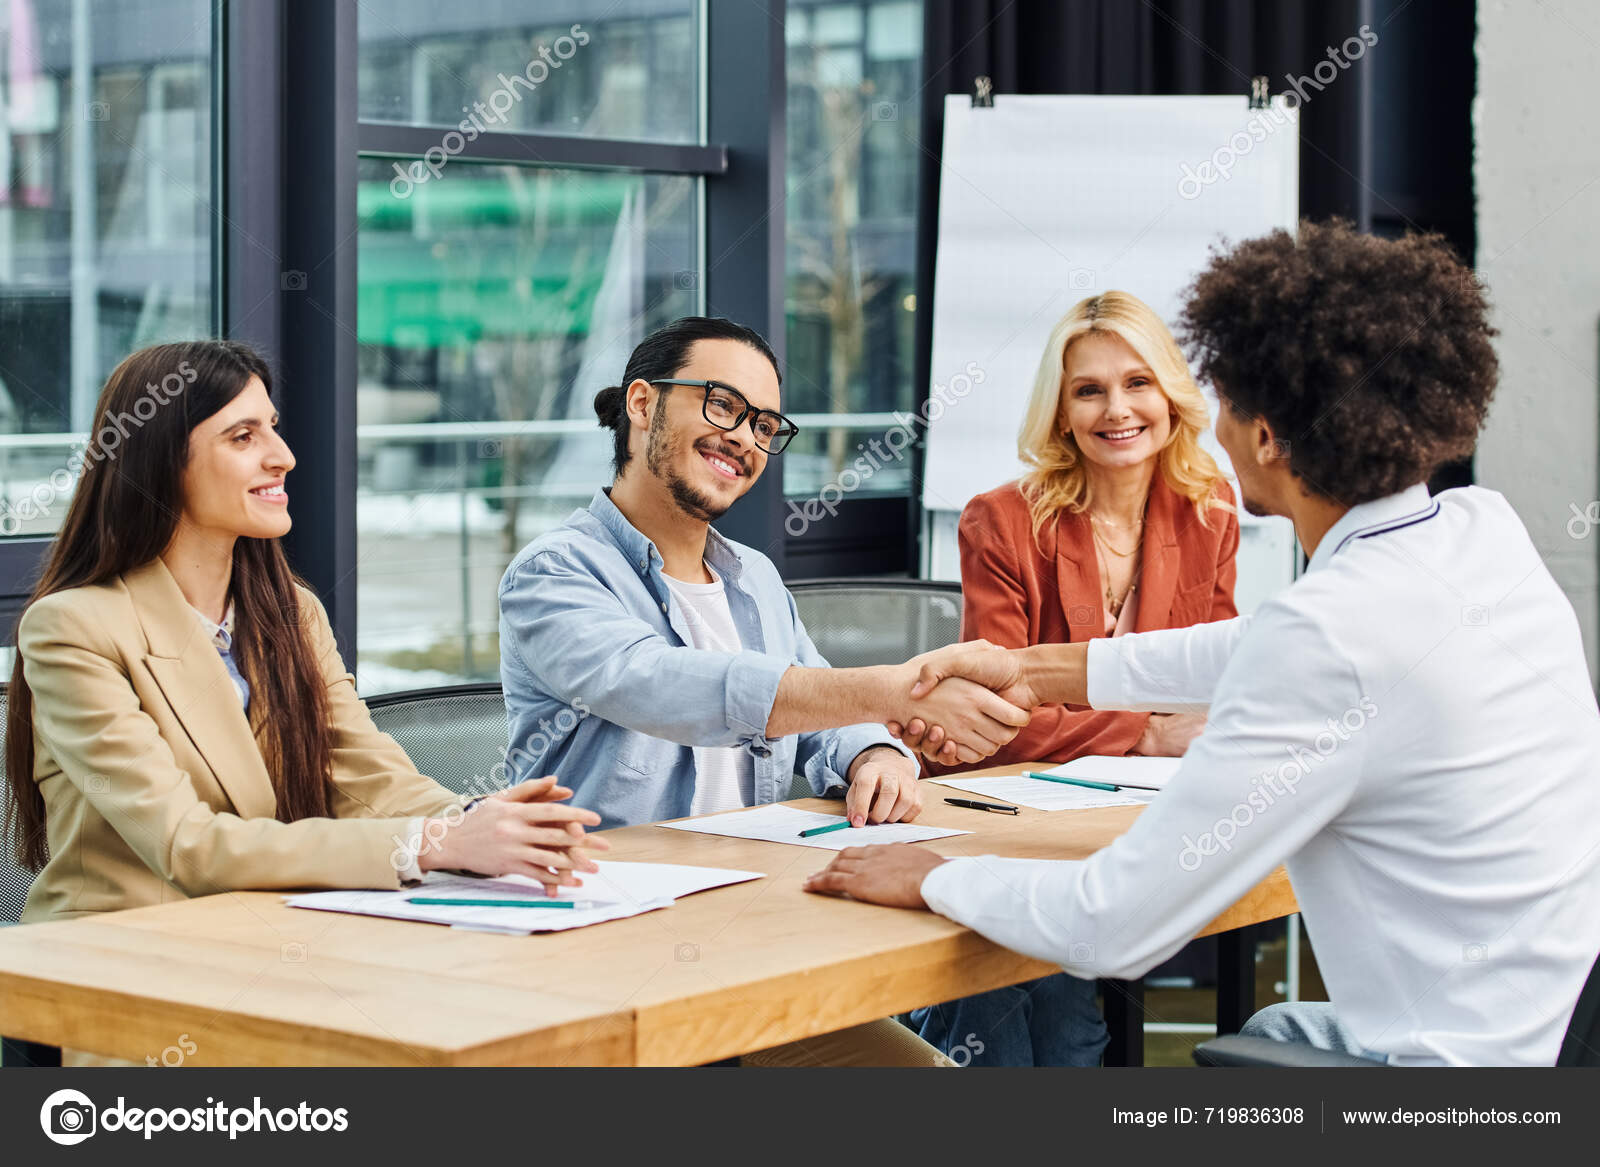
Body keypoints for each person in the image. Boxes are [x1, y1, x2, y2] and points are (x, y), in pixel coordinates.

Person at [805, 220, 1600, 1066]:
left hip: (1438, 1078)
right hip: (1550, 1031)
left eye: (1219, 401)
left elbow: (1113, 924)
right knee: (1267, 1034)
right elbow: (1241, 643)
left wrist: (928, 873)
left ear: (1265, 436)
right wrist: (1031, 668)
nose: (1208, 426)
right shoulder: (1483, 532)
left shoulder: (1326, 631)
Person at [498, 316, 1027, 1066]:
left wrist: (876, 750)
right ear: (643, 404)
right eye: (721, 405)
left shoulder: (753, 576)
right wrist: (896, 690)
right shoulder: (555, 572)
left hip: (756, 928)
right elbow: (657, 685)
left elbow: (821, 715)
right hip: (611, 953)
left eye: (765, 423)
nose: (744, 437)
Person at [4, 340, 608, 929]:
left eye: (272, 426)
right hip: (117, 958)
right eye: (243, 437)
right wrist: (429, 844)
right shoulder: (74, 629)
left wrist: (480, 823)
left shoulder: (291, 612)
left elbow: (364, 774)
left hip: (265, 932)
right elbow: (185, 844)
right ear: (162, 463)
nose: (283, 455)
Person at [912, 291, 1240, 1067]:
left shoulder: (1210, 510)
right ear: (1059, 412)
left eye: (1138, 383)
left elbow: (1218, 692)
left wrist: (1169, 728)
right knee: (1035, 1010)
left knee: (1057, 1015)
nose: (1116, 409)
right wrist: (1147, 730)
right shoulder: (1001, 521)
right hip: (1010, 817)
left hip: (1138, 823)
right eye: (1088, 390)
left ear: (1170, 396)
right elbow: (989, 720)